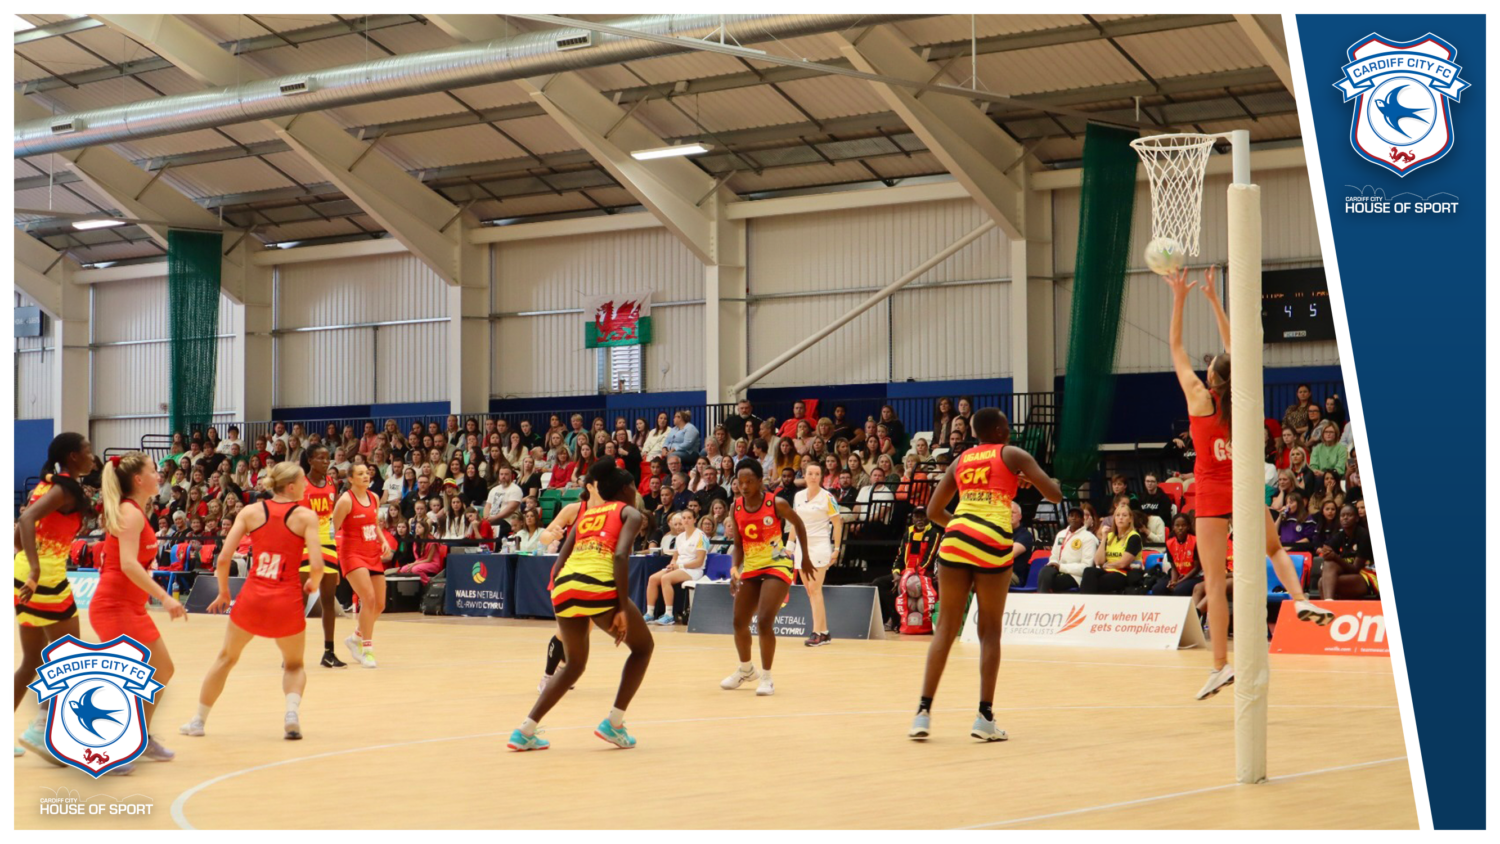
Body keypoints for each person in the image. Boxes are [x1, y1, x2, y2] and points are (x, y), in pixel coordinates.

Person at [1164, 267, 1333, 701]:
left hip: (1210, 494)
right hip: (1242, 488)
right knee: (1273, 549)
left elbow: (1176, 348)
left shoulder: (1199, 400)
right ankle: (1301, 600)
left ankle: (1220, 665)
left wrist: (1180, 298)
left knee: (1215, 581)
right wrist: (1215, 303)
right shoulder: (1245, 398)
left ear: (1211, 377)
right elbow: (1234, 352)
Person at [913, 408, 1062, 742]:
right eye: (1006, 425)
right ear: (997, 430)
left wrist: (963, 527)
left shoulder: (960, 459)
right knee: (990, 632)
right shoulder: (1012, 453)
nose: (1009, 430)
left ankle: (922, 713)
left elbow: (933, 511)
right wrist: (1030, 479)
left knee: (945, 628)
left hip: (956, 537)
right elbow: (1054, 494)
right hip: (992, 539)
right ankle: (984, 718)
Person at [509, 465, 653, 751]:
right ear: (625, 490)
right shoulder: (630, 513)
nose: (636, 493)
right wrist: (622, 608)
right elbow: (620, 556)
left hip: (564, 587)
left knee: (574, 665)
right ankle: (614, 723)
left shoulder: (586, 514)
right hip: (597, 585)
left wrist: (561, 593)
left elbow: (561, 560)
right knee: (643, 648)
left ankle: (524, 731)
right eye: (634, 487)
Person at [179, 462, 324, 740]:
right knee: (294, 664)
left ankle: (198, 721)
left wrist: (224, 592)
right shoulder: (306, 516)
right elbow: (317, 566)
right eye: (303, 482)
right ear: (290, 487)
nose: (306, 486)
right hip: (286, 600)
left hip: (253, 597)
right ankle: (291, 714)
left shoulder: (250, 512)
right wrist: (314, 584)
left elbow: (223, 558)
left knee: (226, 658)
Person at [92, 452, 184, 771]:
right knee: (125, 678)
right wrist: (166, 598)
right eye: (153, 471)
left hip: (130, 606)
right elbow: (129, 565)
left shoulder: (136, 512)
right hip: (114, 605)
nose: (159, 476)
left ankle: (138, 738)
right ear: (138, 479)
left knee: (162, 669)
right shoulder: (130, 513)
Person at [13, 433, 95, 762]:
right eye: (87, 450)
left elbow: (18, 535)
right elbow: (25, 519)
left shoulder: (46, 486)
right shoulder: (63, 490)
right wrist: (36, 569)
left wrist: (28, 564)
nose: (92, 455)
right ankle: (41, 729)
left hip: (23, 576)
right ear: (73, 456)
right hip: (44, 579)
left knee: (32, 661)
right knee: (70, 658)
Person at [720, 460, 813, 697]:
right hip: (751, 566)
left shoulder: (776, 503)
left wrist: (804, 557)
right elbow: (738, 544)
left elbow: (799, 524)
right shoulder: (736, 507)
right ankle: (745, 670)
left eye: (749, 481)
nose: (744, 486)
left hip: (777, 563)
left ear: (760, 481)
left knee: (763, 621)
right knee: (738, 621)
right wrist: (734, 570)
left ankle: (767, 677)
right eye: (740, 482)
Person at [333, 465, 393, 669]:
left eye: (367, 473)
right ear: (350, 479)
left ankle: (355, 637)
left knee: (380, 604)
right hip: (352, 554)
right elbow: (333, 530)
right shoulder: (345, 500)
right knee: (368, 599)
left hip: (372, 552)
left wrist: (383, 541)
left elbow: (374, 524)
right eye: (360, 474)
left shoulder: (374, 497)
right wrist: (331, 559)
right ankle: (366, 649)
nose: (366, 476)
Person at [299, 445, 346, 669]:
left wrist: (335, 550)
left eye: (328, 458)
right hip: (304, 544)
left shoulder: (330, 483)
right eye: (321, 458)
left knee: (328, 601)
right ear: (310, 460)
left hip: (327, 544)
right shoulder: (299, 484)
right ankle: (292, 652)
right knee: (299, 602)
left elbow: (331, 519)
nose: (326, 462)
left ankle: (329, 652)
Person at [790, 463, 844, 647]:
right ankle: (824, 632)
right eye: (810, 473)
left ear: (821, 477)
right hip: (801, 548)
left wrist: (836, 549)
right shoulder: (798, 496)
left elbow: (837, 524)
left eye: (817, 474)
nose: (813, 477)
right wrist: (790, 545)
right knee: (809, 591)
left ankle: (817, 633)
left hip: (819, 545)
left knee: (815, 589)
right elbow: (795, 522)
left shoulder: (827, 497)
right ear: (804, 476)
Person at [873, 511, 940, 630]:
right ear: (912, 518)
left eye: (923, 516)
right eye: (917, 516)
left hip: (924, 574)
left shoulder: (934, 533)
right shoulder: (908, 534)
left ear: (929, 518)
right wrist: (896, 574)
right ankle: (896, 617)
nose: (920, 519)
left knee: (907, 585)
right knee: (879, 583)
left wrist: (910, 576)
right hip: (906, 573)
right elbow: (900, 557)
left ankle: (919, 623)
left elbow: (929, 559)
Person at [643, 513, 708, 625]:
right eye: (684, 518)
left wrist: (680, 566)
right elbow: (675, 557)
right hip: (679, 567)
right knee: (652, 579)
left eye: (689, 518)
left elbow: (699, 561)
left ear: (695, 520)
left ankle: (669, 615)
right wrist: (672, 564)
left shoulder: (701, 536)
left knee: (666, 578)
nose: (686, 520)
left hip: (693, 570)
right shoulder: (680, 537)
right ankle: (650, 613)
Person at [1318, 504, 1377, 600]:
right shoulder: (1339, 536)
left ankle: (1328, 605)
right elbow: (1327, 550)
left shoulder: (1364, 535)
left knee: (1324, 582)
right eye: (1342, 515)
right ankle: (1329, 604)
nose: (1345, 518)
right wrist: (1326, 553)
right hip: (1349, 573)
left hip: (1367, 575)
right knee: (1326, 570)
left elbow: (1355, 569)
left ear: (1356, 518)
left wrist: (1335, 557)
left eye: (1349, 515)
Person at [1084, 501, 1143, 594]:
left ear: (1130, 519)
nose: (1120, 518)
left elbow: (1123, 564)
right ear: (1114, 519)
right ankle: (1086, 601)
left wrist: (1106, 565)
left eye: (1124, 515)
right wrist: (1104, 538)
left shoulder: (1134, 537)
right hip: (1108, 570)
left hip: (1124, 573)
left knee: (1097, 582)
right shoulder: (1110, 536)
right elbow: (1098, 561)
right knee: (1088, 571)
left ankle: (1088, 601)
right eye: (1117, 515)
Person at [1038, 507, 1098, 593]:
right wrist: (1054, 564)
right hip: (1058, 570)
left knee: (1052, 582)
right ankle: (1042, 598)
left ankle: (1044, 598)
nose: (1074, 518)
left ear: (1082, 519)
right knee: (1044, 571)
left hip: (1075, 576)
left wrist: (1061, 567)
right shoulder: (1061, 534)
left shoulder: (1089, 538)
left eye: (1077, 516)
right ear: (1067, 518)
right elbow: (1054, 556)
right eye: (1071, 515)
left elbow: (1086, 566)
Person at [1155, 514, 1203, 597]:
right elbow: (1174, 568)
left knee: (1179, 590)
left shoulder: (1195, 541)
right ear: (1173, 527)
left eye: (1183, 525)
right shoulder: (1169, 543)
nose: (1180, 528)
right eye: (1177, 525)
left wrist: (1179, 582)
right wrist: (1173, 582)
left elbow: (1197, 568)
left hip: (1196, 577)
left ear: (1188, 527)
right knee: (1157, 588)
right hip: (1180, 576)